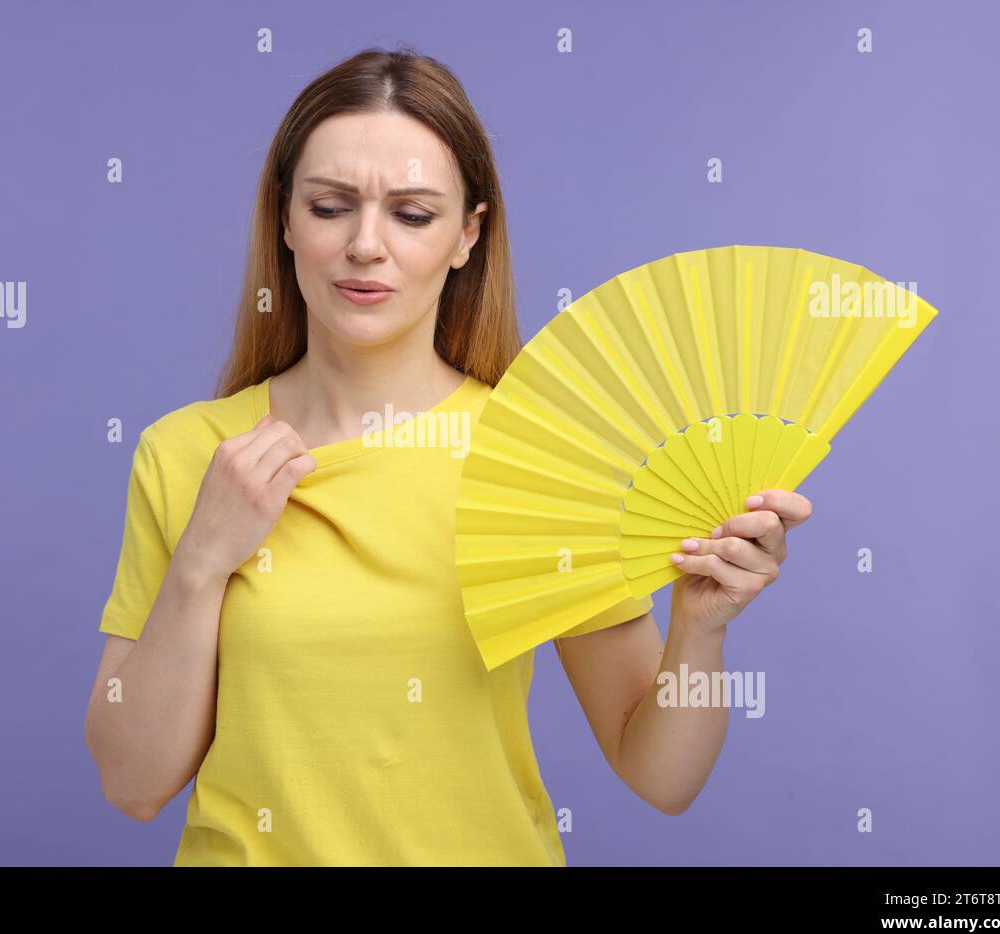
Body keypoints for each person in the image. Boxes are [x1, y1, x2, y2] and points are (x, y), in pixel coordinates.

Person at [83, 46, 812, 866]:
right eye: (330, 206)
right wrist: (201, 561)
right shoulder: (186, 454)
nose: (366, 244)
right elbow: (132, 780)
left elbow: (661, 773)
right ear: (285, 219)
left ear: (468, 235)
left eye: (413, 214)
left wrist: (700, 631)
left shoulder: (536, 460)